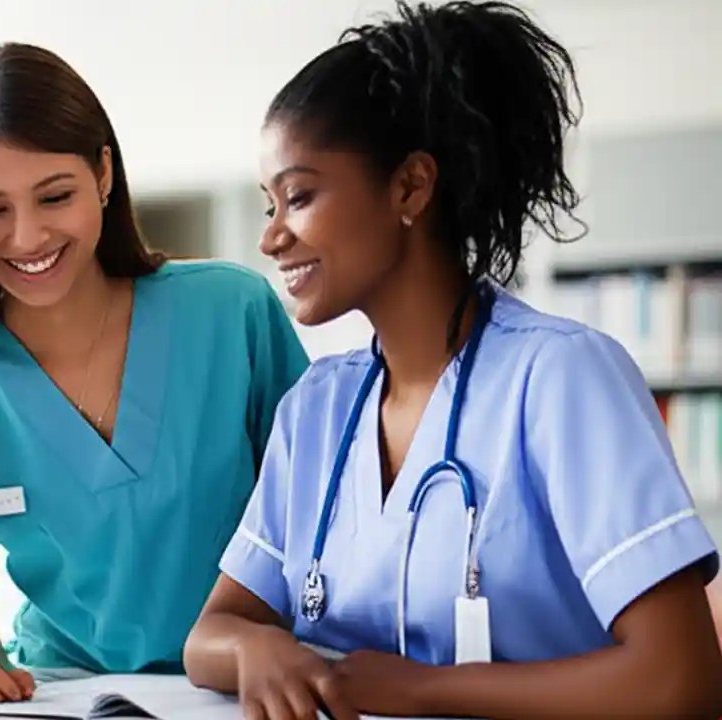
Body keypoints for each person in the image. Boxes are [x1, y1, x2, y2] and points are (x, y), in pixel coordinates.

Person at [183, 2, 722, 718]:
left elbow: (680, 679)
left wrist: (421, 690)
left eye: (299, 197)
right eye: (267, 206)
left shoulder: (562, 379)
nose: (272, 238)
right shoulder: (315, 409)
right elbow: (211, 635)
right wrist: (259, 649)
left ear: (411, 187)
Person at [0, 42, 310, 705]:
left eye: (54, 196)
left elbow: (327, 523)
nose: (26, 237)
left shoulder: (233, 313)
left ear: (103, 174)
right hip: (70, 696)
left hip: (251, 684)